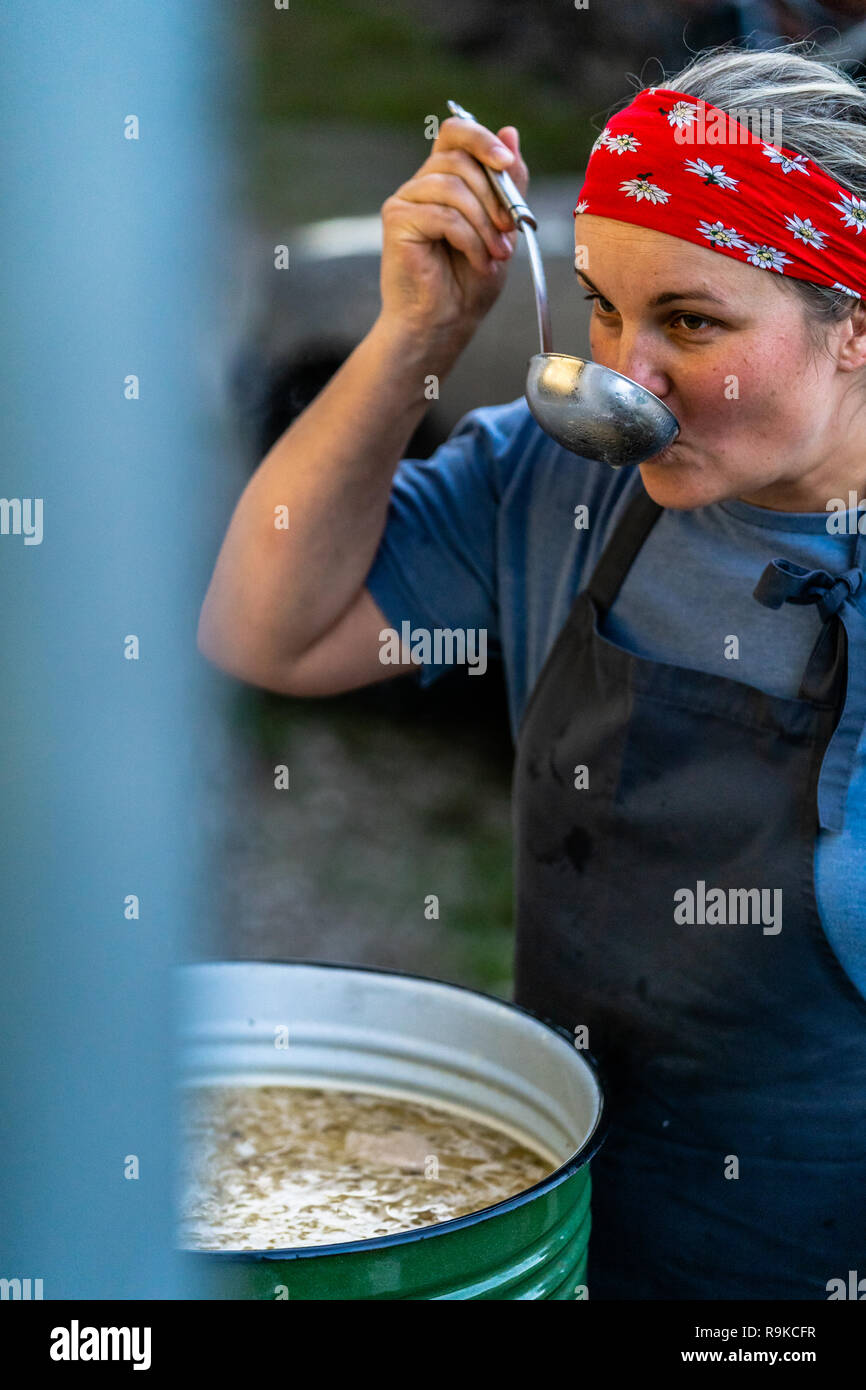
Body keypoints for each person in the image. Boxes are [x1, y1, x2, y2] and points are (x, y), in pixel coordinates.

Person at [197, 42, 866, 1299]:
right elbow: (264, 631)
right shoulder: (561, 481)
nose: (625, 374)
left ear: (853, 328)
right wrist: (415, 339)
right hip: (559, 1242)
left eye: (689, 321)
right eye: (604, 308)